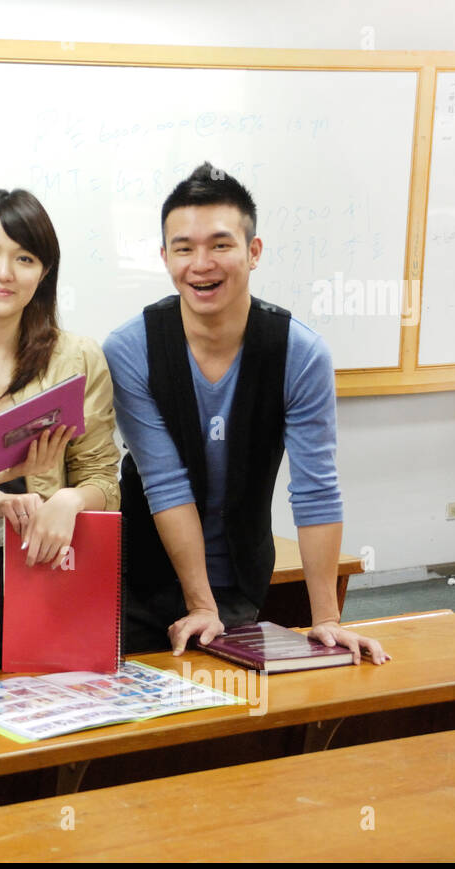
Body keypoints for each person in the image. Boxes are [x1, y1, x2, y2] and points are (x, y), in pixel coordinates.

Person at [103, 162, 388, 664]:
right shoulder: (131, 350)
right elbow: (164, 481)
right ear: (164, 257)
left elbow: (315, 487)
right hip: (137, 578)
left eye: (220, 244)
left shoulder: (298, 354)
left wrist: (326, 620)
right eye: (184, 248)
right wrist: (198, 604)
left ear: (253, 252)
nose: (201, 264)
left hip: (240, 576)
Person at [0, 189, 121, 674]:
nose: (4, 272)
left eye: (25, 258)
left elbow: (104, 479)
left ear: (44, 273)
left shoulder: (77, 359)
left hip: (41, 591)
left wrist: (70, 501)